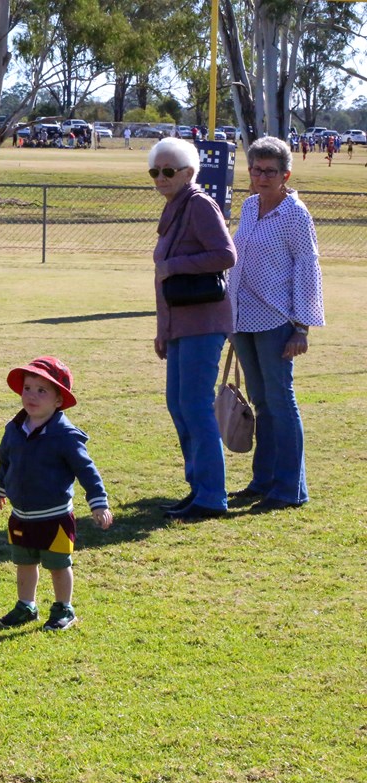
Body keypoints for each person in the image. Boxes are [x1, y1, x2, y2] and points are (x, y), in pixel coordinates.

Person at [227, 136, 325, 512]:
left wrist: (302, 327)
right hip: (243, 319)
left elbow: (308, 269)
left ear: (286, 174)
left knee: (281, 402)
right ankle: (263, 480)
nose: (261, 176)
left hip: (277, 320)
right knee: (262, 402)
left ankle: (290, 488)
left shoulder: (296, 214)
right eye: (255, 169)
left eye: (269, 171)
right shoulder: (250, 206)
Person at [148, 137, 238, 522]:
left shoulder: (199, 204)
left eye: (169, 171)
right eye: (155, 171)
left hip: (204, 322)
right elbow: (163, 277)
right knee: (178, 404)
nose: (161, 178)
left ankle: (212, 496)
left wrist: (178, 265)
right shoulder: (174, 208)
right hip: (181, 324)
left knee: (197, 407)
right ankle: (199, 487)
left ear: (188, 173)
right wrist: (162, 330)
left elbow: (225, 254)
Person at [0, 357, 112, 632]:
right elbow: (5, 461)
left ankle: (64, 609)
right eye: (28, 388)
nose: (31, 395)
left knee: (58, 565)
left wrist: (98, 503)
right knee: (24, 563)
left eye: (41, 390)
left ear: (59, 400)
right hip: (20, 516)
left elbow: (86, 469)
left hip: (54, 518)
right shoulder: (14, 428)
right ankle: (26, 605)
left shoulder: (65, 435)